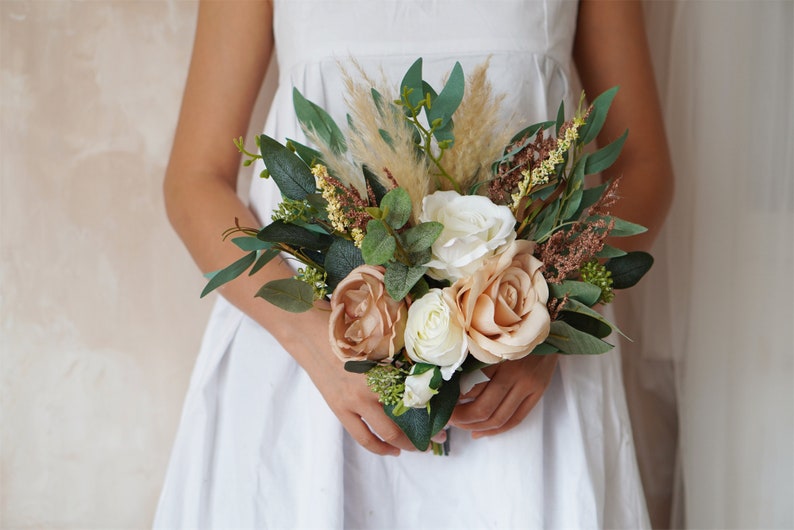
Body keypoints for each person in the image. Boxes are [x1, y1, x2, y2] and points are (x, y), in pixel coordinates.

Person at [154, 0, 673, 528]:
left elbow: (645, 167)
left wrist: (547, 326)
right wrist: (315, 339)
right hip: (310, 380)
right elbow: (196, 180)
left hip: (525, 388)